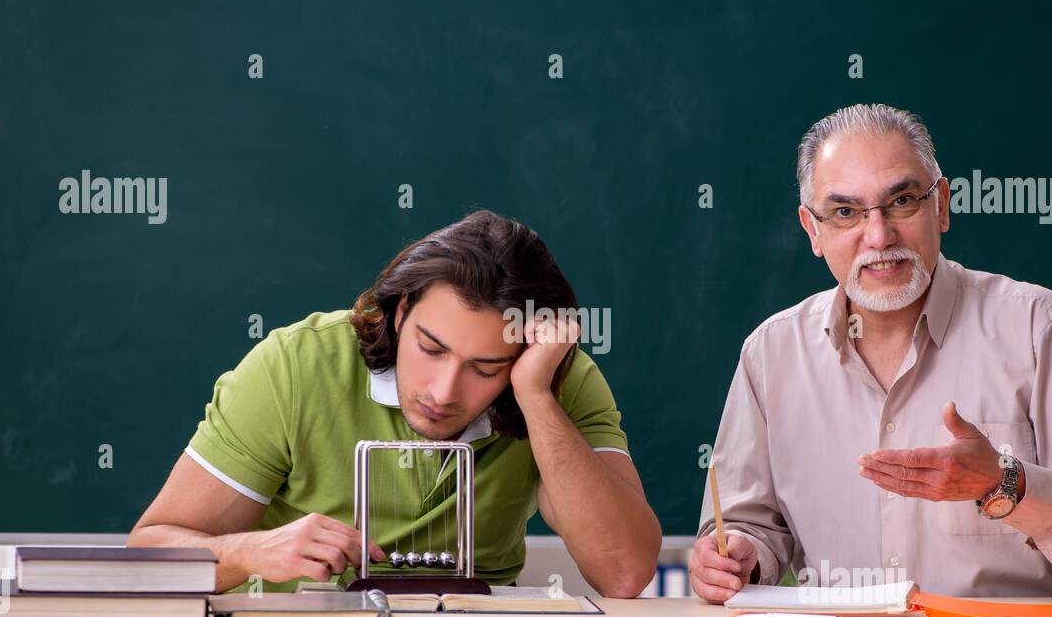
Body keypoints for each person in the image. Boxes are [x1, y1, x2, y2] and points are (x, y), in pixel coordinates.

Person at [691, 103, 1052, 602]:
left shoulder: (1041, 328)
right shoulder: (771, 353)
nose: (879, 236)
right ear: (813, 231)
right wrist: (737, 555)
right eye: (846, 212)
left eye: (902, 201)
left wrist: (1006, 485)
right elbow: (747, 526)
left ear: (941, 206)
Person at [131, 209, 661, 596]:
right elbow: (147, 557)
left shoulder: (554, 381)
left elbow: (623, 572)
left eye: (485, 368)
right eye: (431, 349)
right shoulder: (292, 367)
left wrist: (535, 397)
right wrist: (246, 551)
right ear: (401, 310)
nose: (443, 392)